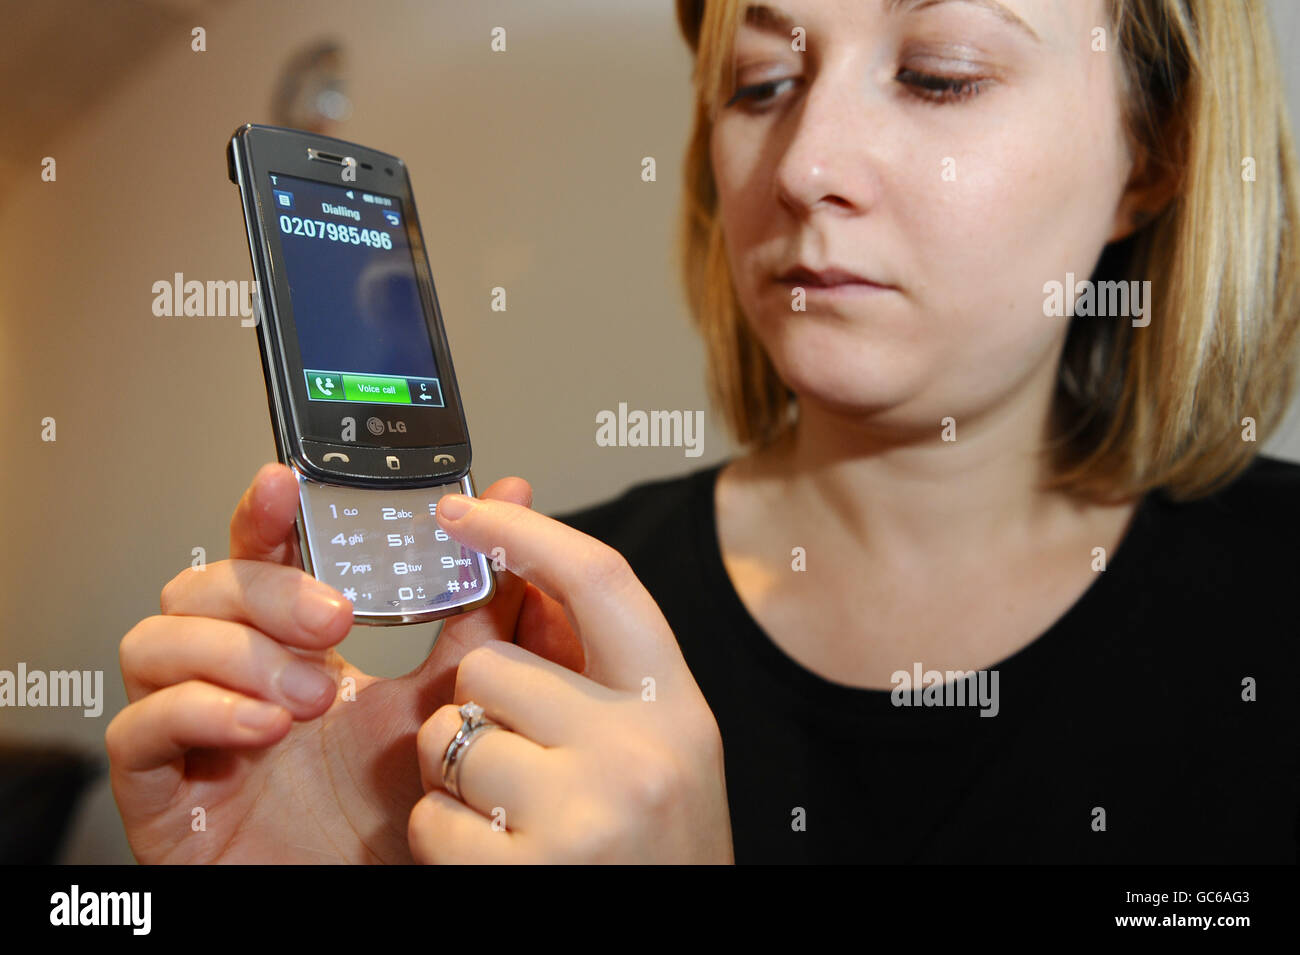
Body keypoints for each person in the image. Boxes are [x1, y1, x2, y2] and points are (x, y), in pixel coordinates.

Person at [107, 0, 1300, 863]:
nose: (806, 165)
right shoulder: (522, 639)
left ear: (1155, 152)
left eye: (938, 73)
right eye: (761, 83)